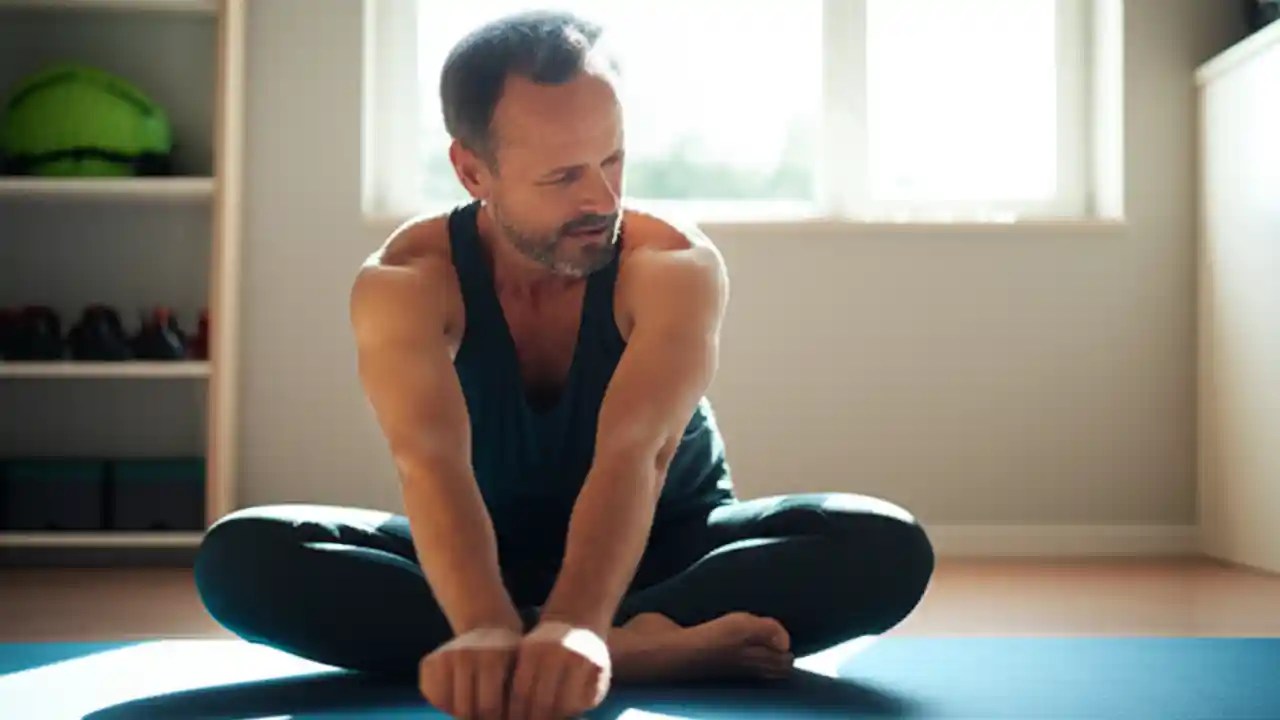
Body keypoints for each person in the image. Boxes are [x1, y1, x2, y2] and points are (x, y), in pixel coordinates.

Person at [193, 9, 934, 720]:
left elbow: (637, 456)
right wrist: (482, 619)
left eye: (613, 159)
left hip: (665, 554)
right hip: (478, 556)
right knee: (241, 559)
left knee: (883, 546)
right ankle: (631, 650)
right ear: (472, 172)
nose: (603, 198)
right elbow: (429, 465)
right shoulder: (406, 282)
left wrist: (576, 623)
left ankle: (569, 645)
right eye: (562, 177)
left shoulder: (673, 265)